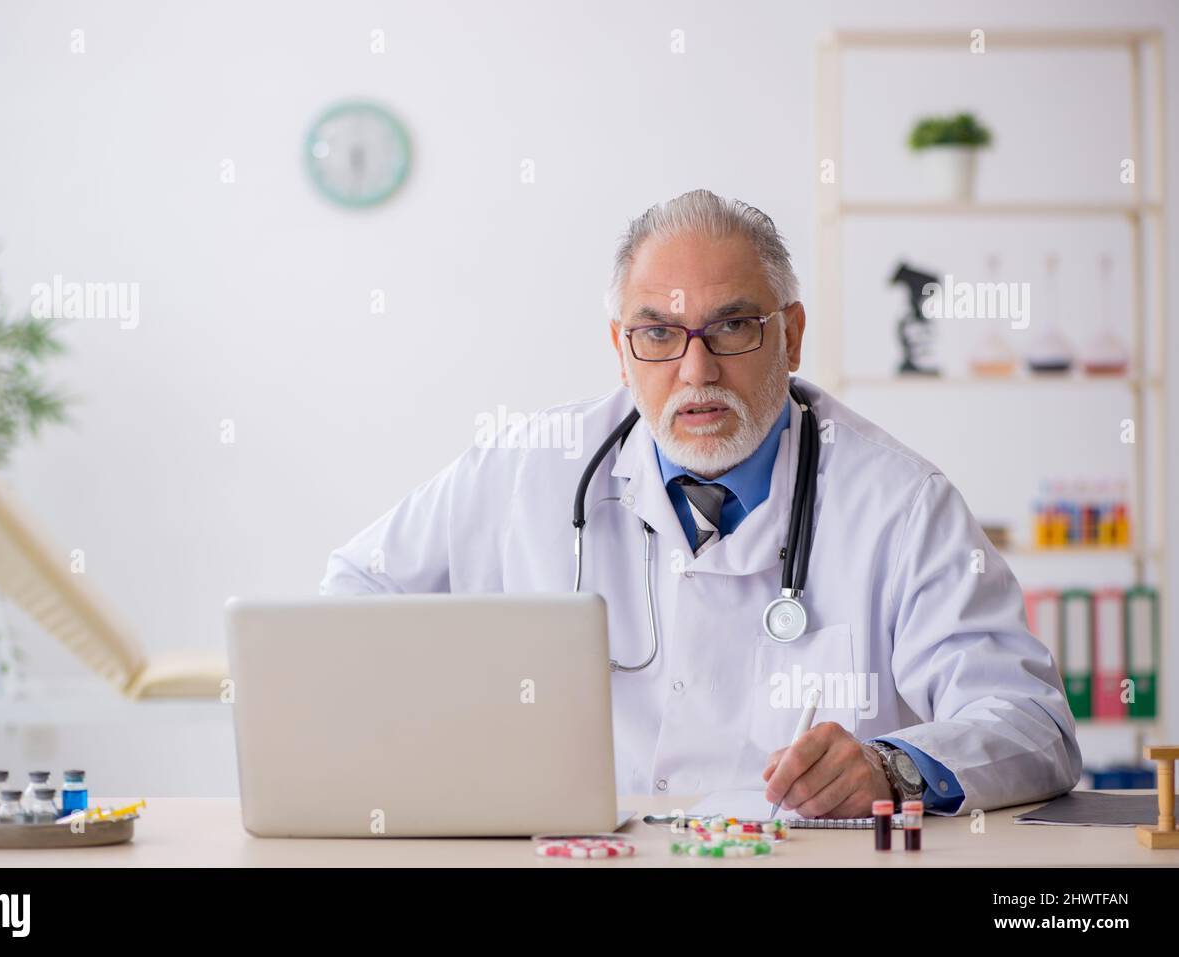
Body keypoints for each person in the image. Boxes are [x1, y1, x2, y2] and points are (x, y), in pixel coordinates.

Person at [321, 189, 1081, 817]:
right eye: (658, 333)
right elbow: (351, 597)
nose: (696, 369)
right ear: (621, 349)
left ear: (792, 334)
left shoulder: (901, 505)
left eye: (732, 327)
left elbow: (1032, 723)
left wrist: (896, 767)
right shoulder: (523, 470)